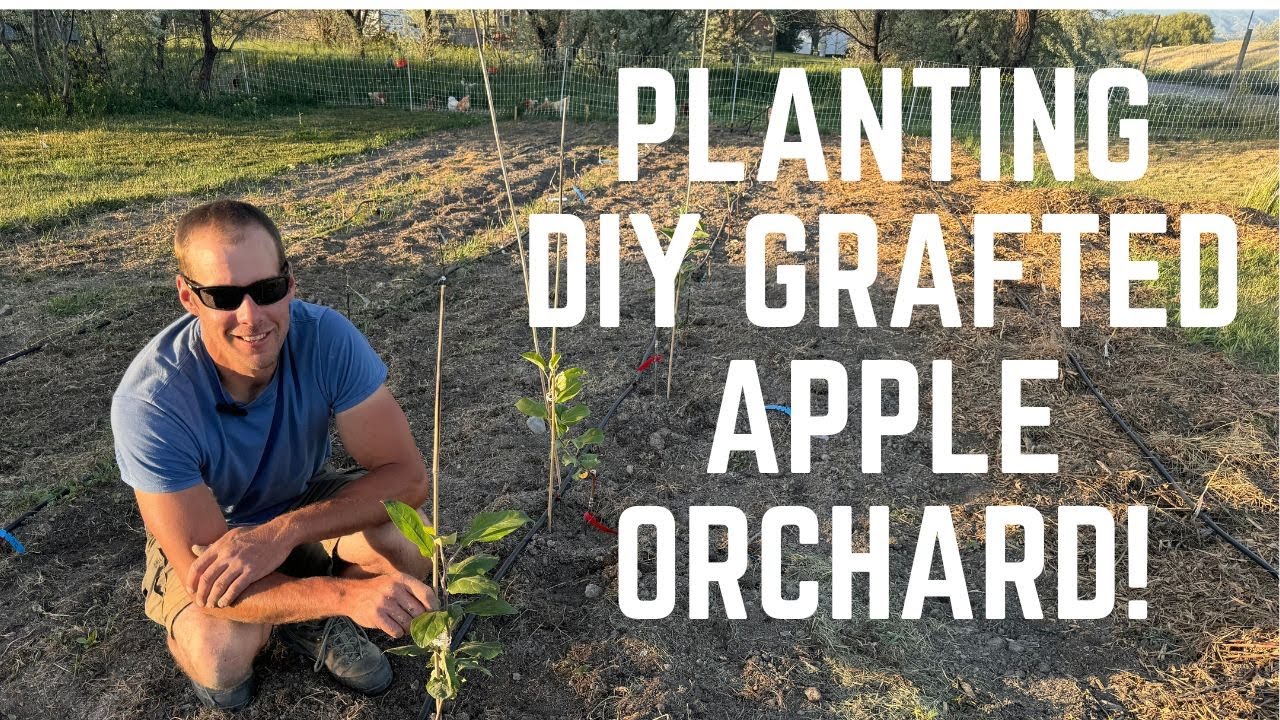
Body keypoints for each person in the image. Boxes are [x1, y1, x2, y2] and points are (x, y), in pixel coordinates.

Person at [111, 199, 436, 711]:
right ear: (187, 297)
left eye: (266, 290)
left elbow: (408, 478)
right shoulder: (152, 402)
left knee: (407, 538)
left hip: (299, 496)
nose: (251, 316)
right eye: (222, 296)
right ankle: (317, 608)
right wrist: (346, 597)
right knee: (221, 654)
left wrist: (282, 534)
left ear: (290, 282)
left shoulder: (326, 337)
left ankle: (304, 612)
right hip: (216, 530)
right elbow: (208, 578)